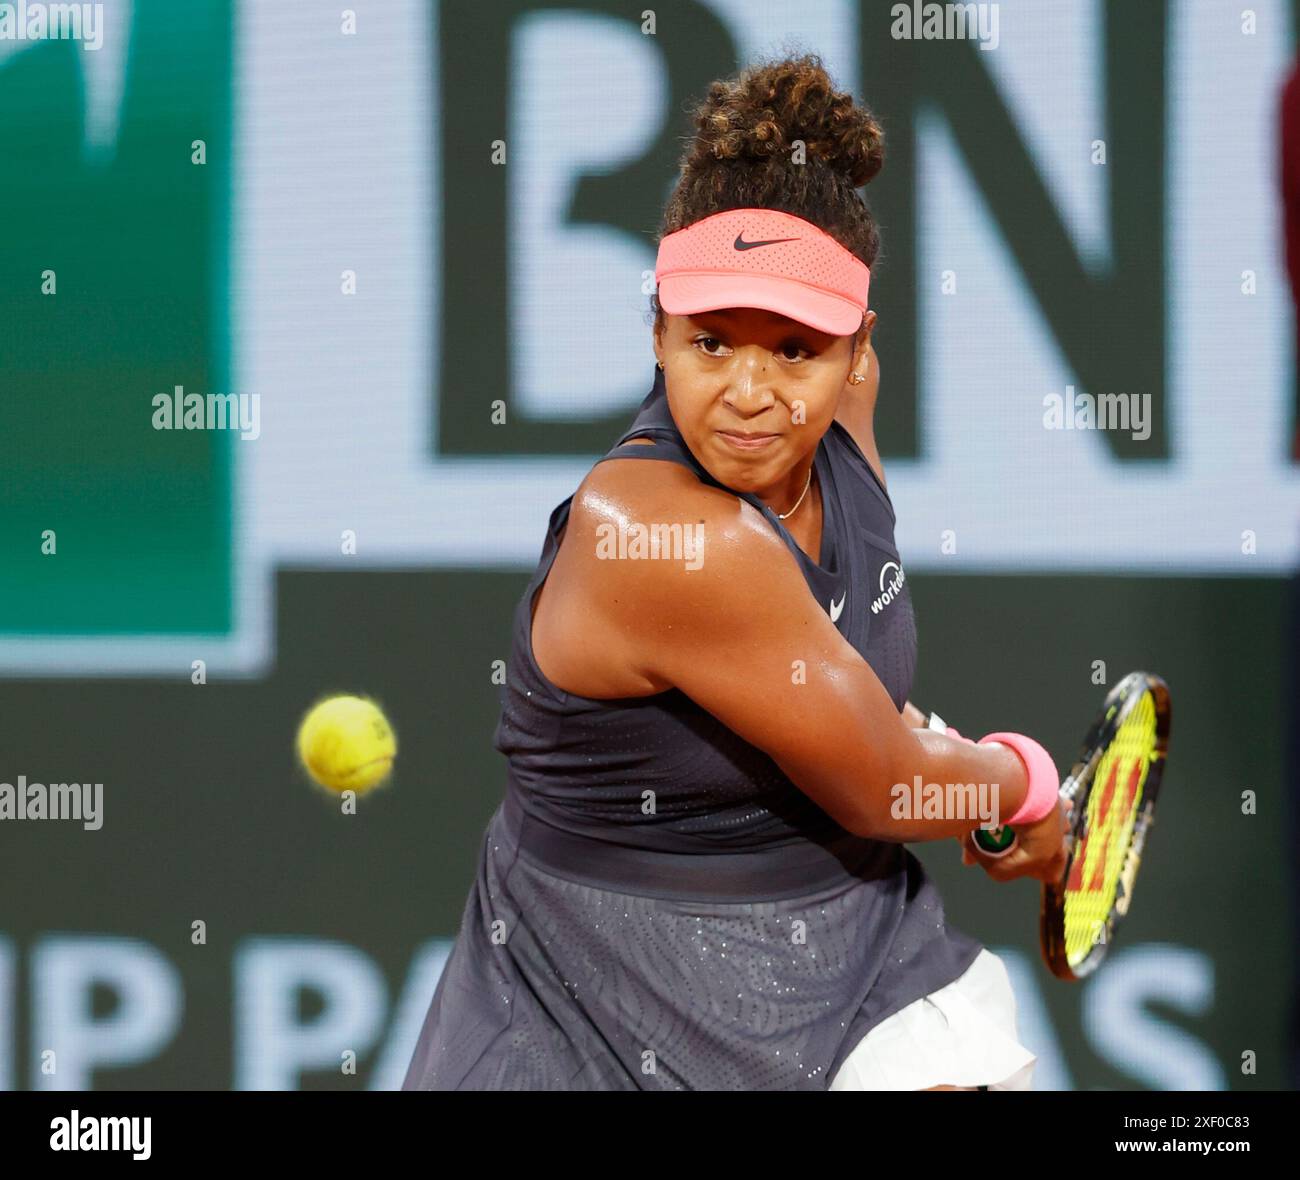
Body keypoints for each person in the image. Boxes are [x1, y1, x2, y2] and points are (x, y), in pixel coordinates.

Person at [402, 53, 1068, 1092]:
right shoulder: (669, 537)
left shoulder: (848, 408)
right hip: (602, 999)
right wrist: (1022, 785)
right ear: (657, 332)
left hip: (848, 949)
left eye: (795, 349)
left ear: (857, 353)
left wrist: (955, 773)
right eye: (710, 342)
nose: (749, 392)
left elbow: (836, 686)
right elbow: (880, 781)